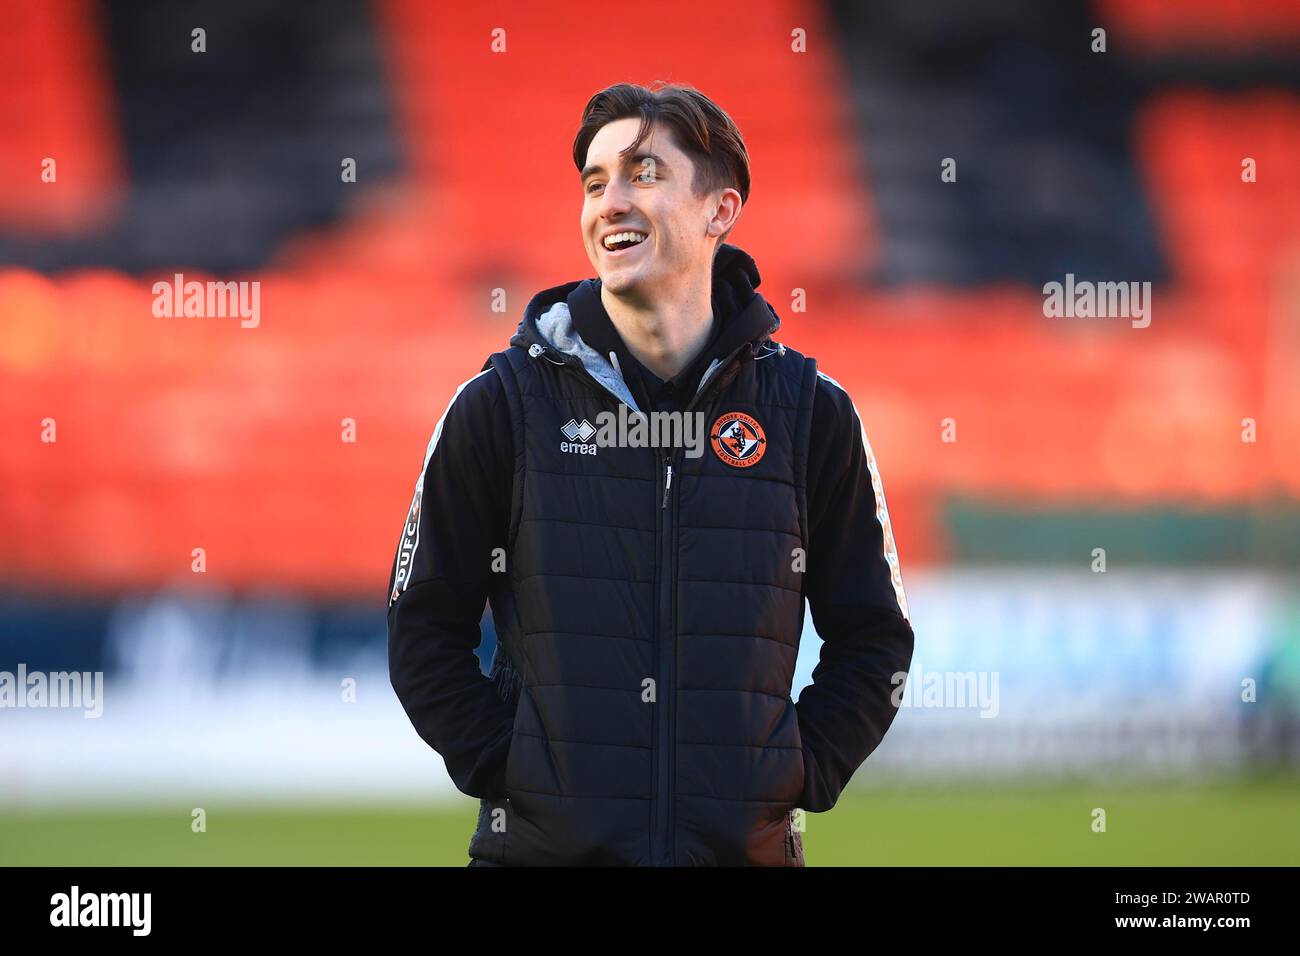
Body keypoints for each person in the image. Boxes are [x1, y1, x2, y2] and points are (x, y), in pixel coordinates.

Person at [387, 82, 914, 866]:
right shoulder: (501, 406)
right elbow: (423, 624)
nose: (611, 202)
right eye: (595, 183)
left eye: (644, 174)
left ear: (720, 210)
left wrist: (801, 767)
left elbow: (874, 637)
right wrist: (509, 764)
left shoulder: (812, 414)